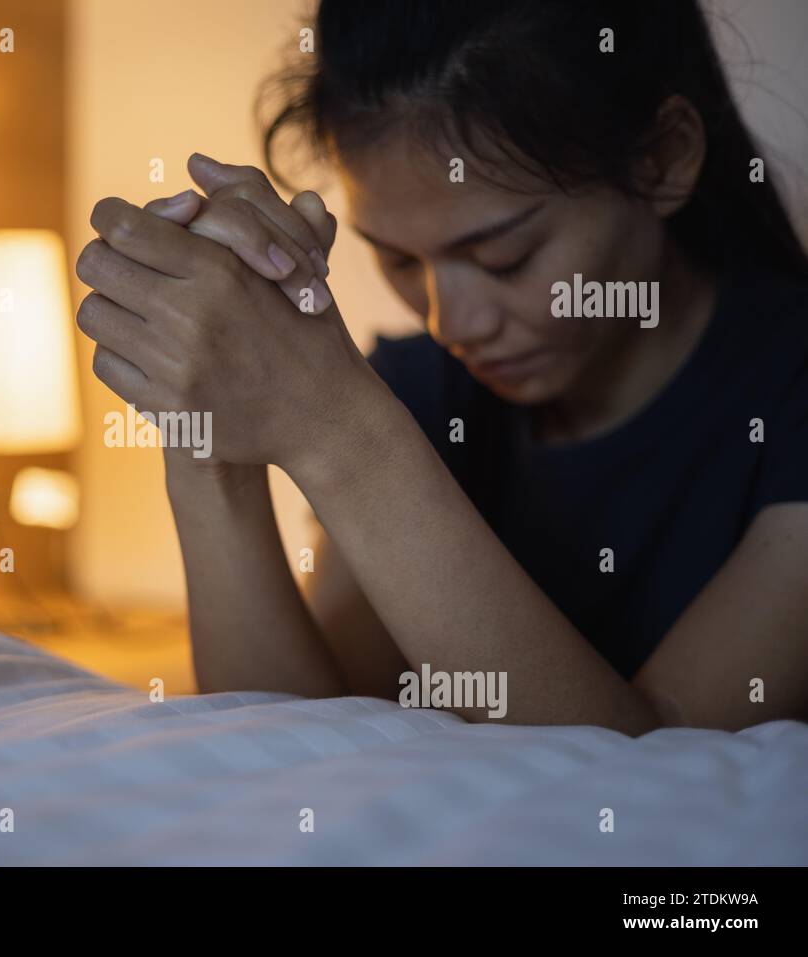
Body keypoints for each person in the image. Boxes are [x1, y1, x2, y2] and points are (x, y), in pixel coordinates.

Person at [74, 0, 808, 733]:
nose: (451, 322)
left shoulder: (786, 392)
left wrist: (343, 435)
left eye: (504, 257)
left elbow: (652, 776)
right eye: (397, 259)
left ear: (662, 160)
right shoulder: (422, 389)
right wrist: (200, 421)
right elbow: (297, 740)